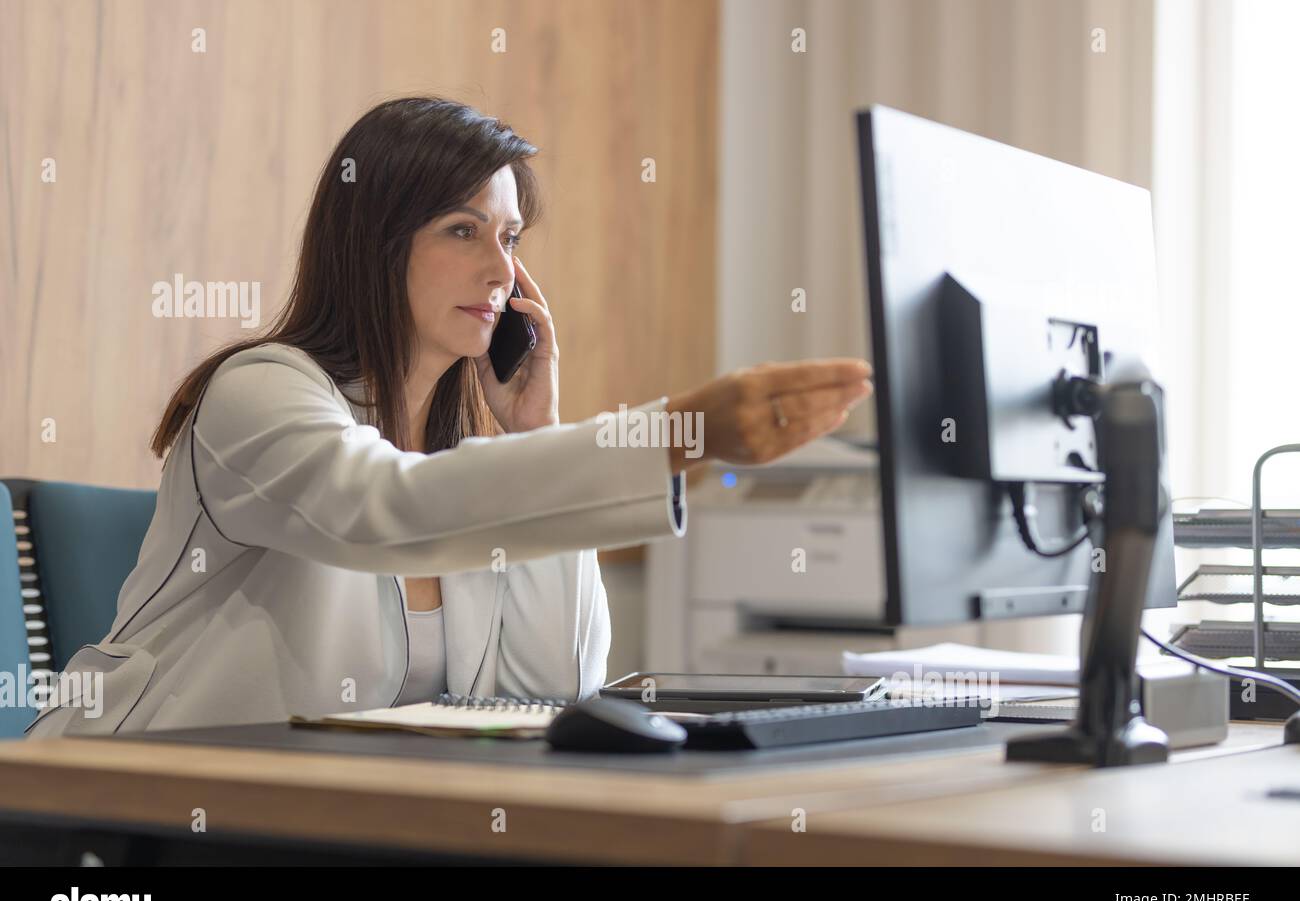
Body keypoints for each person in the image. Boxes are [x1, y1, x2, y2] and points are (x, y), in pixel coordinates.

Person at [24, 97, 871, 737]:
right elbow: (383, 511)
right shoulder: (259, 392)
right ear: (377, 242)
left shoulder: (467, 471)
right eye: (463, 230)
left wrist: (538, 431)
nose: (501, 268)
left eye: (510, 237)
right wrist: (675, 434)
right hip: (131, 814)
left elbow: (558, 681)